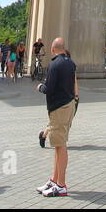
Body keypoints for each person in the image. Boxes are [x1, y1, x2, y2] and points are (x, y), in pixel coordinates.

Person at [36, 37, 77, 198]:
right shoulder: (70, 63)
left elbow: (49, 88)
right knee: (58, 145)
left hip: (59, 107)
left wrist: (40, 87)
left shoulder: (54, 64)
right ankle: (54, 179)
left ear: (53, 50)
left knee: (60, 146)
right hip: (68, 104)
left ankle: (61, 185)